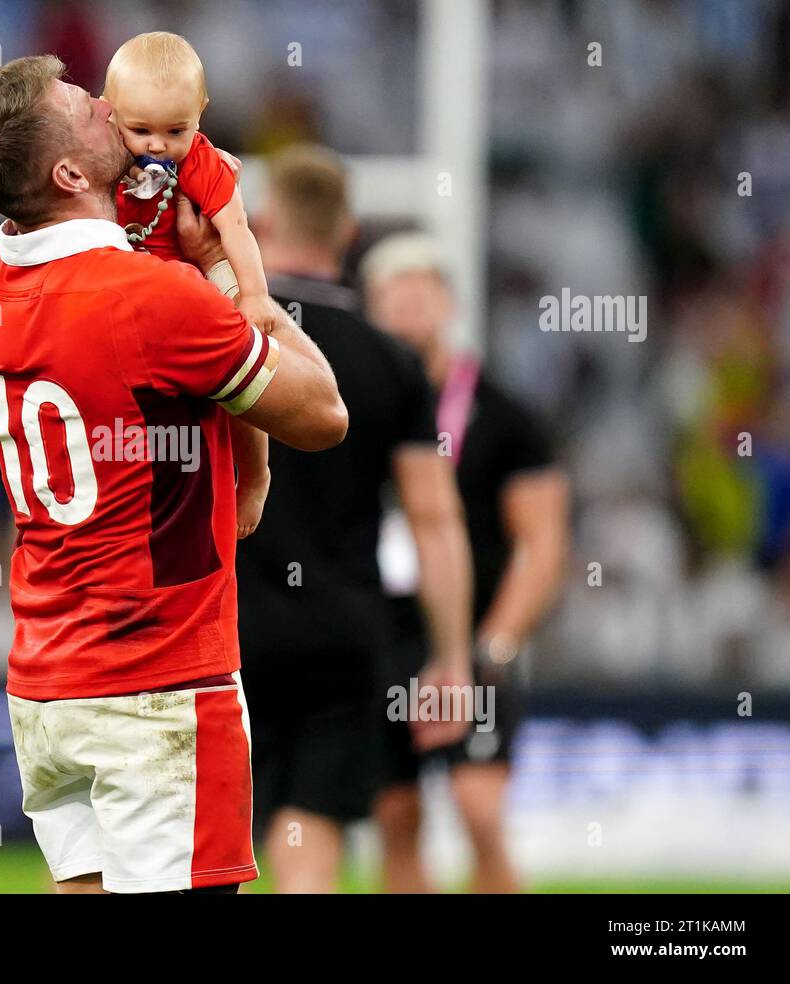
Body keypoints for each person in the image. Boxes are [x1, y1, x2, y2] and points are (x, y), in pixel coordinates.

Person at [0, 56, 347, 894]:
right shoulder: (151, 295)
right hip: (158, 680)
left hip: (46, 682)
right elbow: (321, 414)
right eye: (80, 104)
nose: (103, 101)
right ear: (66, 171)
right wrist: (222, 277)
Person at [235, 144, 475, 893]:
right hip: (339, 633)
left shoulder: (218, 335)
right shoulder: (391, 361)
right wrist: (452, 659)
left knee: (209, 847)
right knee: (310, 848)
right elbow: (434, 521)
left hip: (219, 627)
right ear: (346, 234)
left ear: (263, 221)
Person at [363, 232, 571, 893]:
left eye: (423, 291)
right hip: (382, 635)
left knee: (480, 809)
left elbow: (543, 541)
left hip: (475, 634)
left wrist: (499, 644)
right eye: (394, 295)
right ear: (370, 308)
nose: (409, 307)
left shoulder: (506, 416)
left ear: (449, 301)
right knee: (395, 815)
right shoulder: (353, 409)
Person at [103, 31, 274, 540]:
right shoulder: (101, 155)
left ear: (201, 112)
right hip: (121, 294)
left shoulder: (200, 160)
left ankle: (257, 473)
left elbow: (235, 228)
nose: (157, 145)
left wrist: (255, 292)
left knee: (245, 381)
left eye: (176, 130)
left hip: (189, 289)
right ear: (107, 111)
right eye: (141, 130)